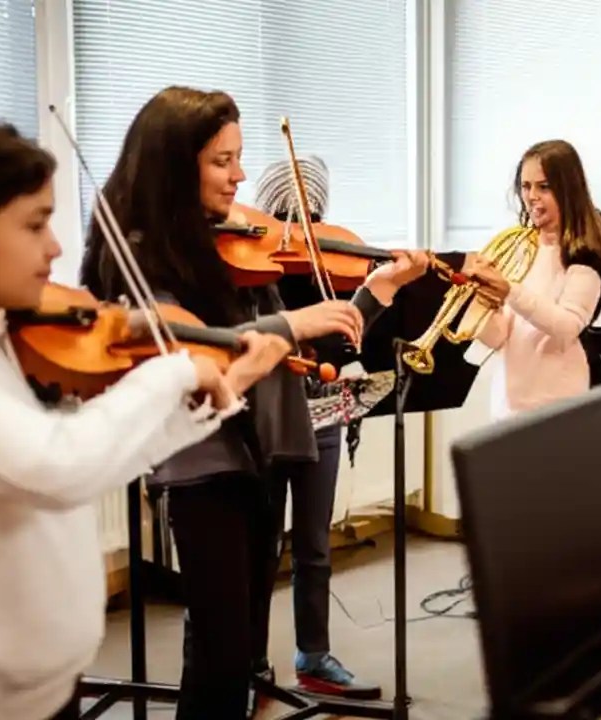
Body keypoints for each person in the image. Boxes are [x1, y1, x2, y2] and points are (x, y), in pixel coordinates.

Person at [0, 115, 292, 720]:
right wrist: (170, 370)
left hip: (43, 689)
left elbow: (95, 463)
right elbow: (58, 464)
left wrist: (224, 384)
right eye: (35, 224)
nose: (57, 247)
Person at [79, 86, 429, 718]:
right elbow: (197, 349)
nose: (240, 176)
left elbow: (301, 348)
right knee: (217, 656)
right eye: (222, 161)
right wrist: (294, 326)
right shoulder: (141, 251)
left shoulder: (235, 245)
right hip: (204, 465)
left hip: (263, 457)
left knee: (236, 655)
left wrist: (376, 289)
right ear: (173, 163)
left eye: (239, 158)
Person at [251, 155, 382, 698]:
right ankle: (251, 662)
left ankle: (314, 655)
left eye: (306, 210)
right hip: (264, 421)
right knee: (258, 549)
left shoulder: (329, 265)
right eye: (282, 208)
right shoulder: (250, 269)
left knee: (314, 547)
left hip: (323, 415)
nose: (294, 221)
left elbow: (340, 344)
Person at [464, 139, 601, 419]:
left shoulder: (584, 254)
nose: (531, 196)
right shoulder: (521, 247)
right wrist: (479, 301)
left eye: (543, 187)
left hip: (557, 401)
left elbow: (567, 326)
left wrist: (509, 289)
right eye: (526, 187)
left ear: (568, 190)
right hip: (508, 400)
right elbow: (499, 337)